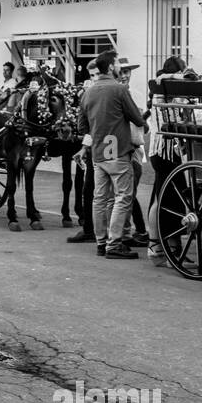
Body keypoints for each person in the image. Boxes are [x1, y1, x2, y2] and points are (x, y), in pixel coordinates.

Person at [78, 51, 145, 259]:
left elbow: (82, 125)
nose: (119, 68)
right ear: (109, 68)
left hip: (99, 152)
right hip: (118, 149)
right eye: (117, 64)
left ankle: (101, 242)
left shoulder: (87, 92)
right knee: (123, 196)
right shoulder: (119, 89)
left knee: (100, 199)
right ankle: (114, 243)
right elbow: (137, 118)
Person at [145, 56, 192, 266]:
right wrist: (182, 76)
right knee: (164, 200)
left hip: (165, 151)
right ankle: (156, 247)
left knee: (166, 199)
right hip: (165, 151)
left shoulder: (162, 91)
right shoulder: (162, 89)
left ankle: (168, 247)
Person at [66, 58, 102, 246]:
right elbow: (87, 127)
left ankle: (124, 232)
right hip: (95, 146)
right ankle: (90, 228)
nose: (94, 78)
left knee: (113, 193)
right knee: (89, 189)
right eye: (91, 75)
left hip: (111, 148)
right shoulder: (89, 94)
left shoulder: (106, 92)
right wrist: (84, 147)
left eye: (97, 74)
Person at [114, 57, 148, 247]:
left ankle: (130, 232)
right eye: (121, 71)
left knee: (128, 191)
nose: (124, 75)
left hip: (133, 149)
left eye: (127, 72)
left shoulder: (136, 94)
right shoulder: (112, 94)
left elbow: (143, 124)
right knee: (120, 192)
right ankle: (128, 232)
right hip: (115, 148)